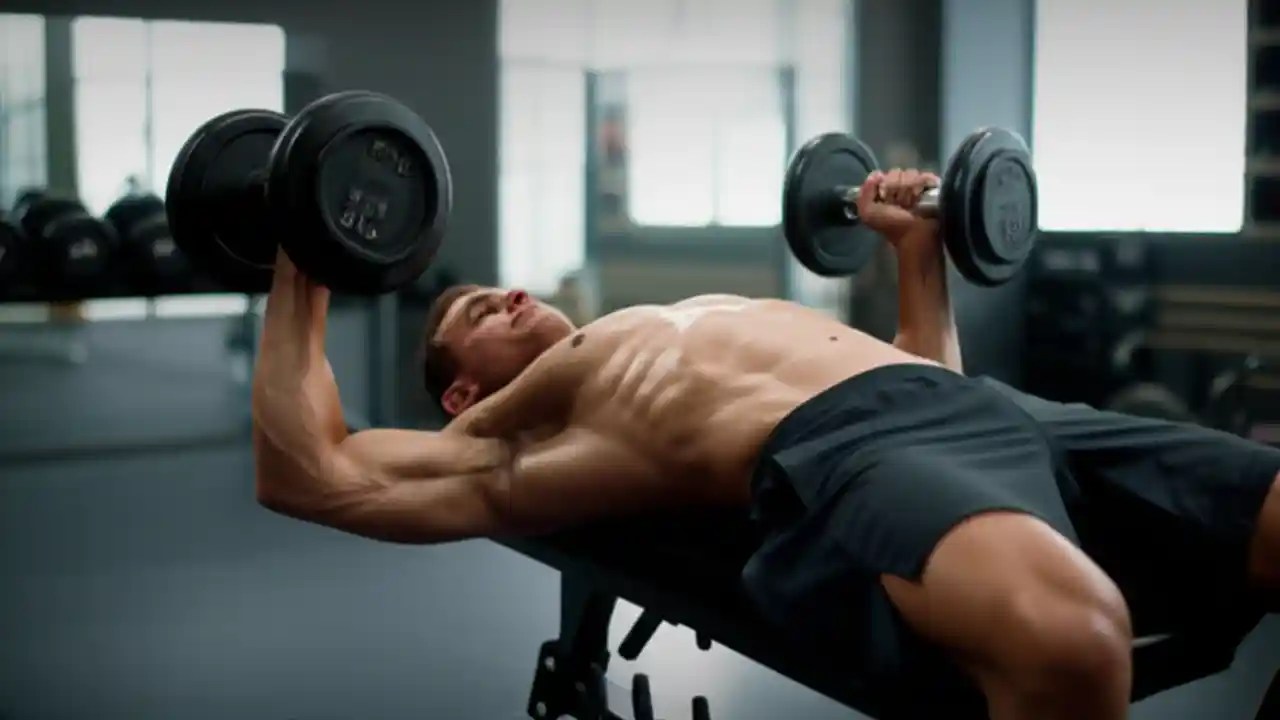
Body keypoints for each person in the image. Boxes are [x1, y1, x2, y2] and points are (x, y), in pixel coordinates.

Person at [251, 169, 1280, 720]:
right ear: (463, 392)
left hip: (987, 409)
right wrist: (305, 249)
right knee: (1072, 642)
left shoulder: (651, 324)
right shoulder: (527, 443)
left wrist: (915, 253)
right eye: (479, 308)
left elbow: (929, 373)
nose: (509, 293)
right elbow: (310, 471)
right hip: (849, 445)